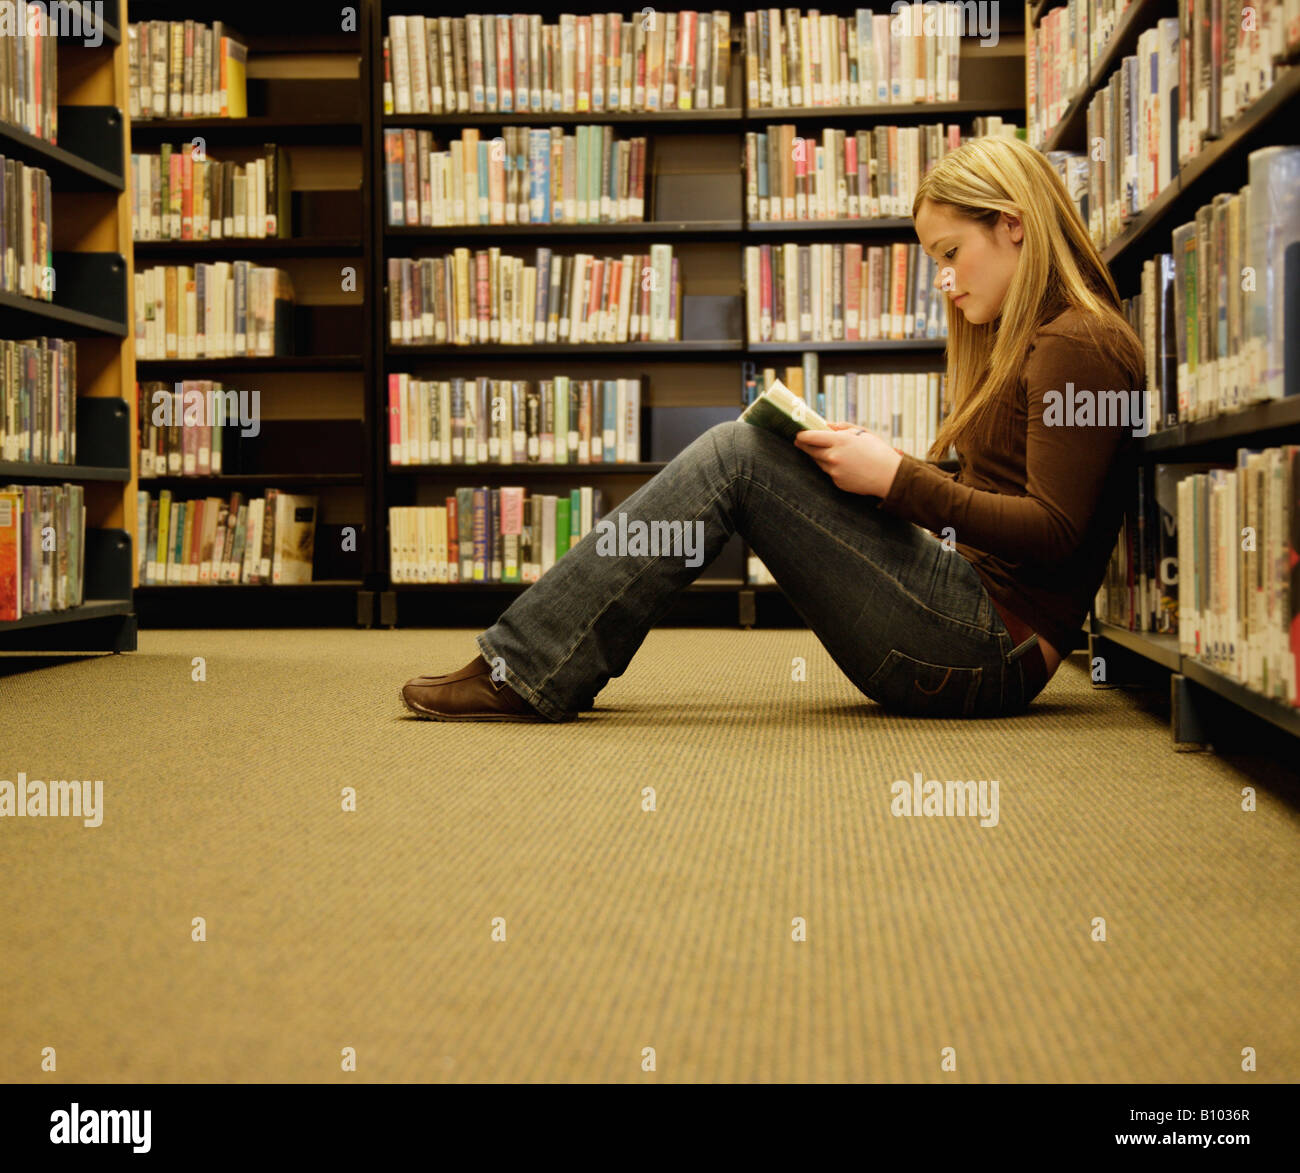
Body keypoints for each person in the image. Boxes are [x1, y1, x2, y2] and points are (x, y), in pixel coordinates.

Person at [401, 134, 1146, 723]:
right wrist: (889, 467)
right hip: (969, 615)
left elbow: (1055, 529)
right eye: (934, 263)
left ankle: (527, 667)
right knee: (753, 449)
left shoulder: (1078, 343)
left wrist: (897, 480)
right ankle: (531, 660)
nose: (944, 283)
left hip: (991, 649)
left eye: (951, 255)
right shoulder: (1044, 339)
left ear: (1012, 224)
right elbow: (1002, 495)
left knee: (737, 455)